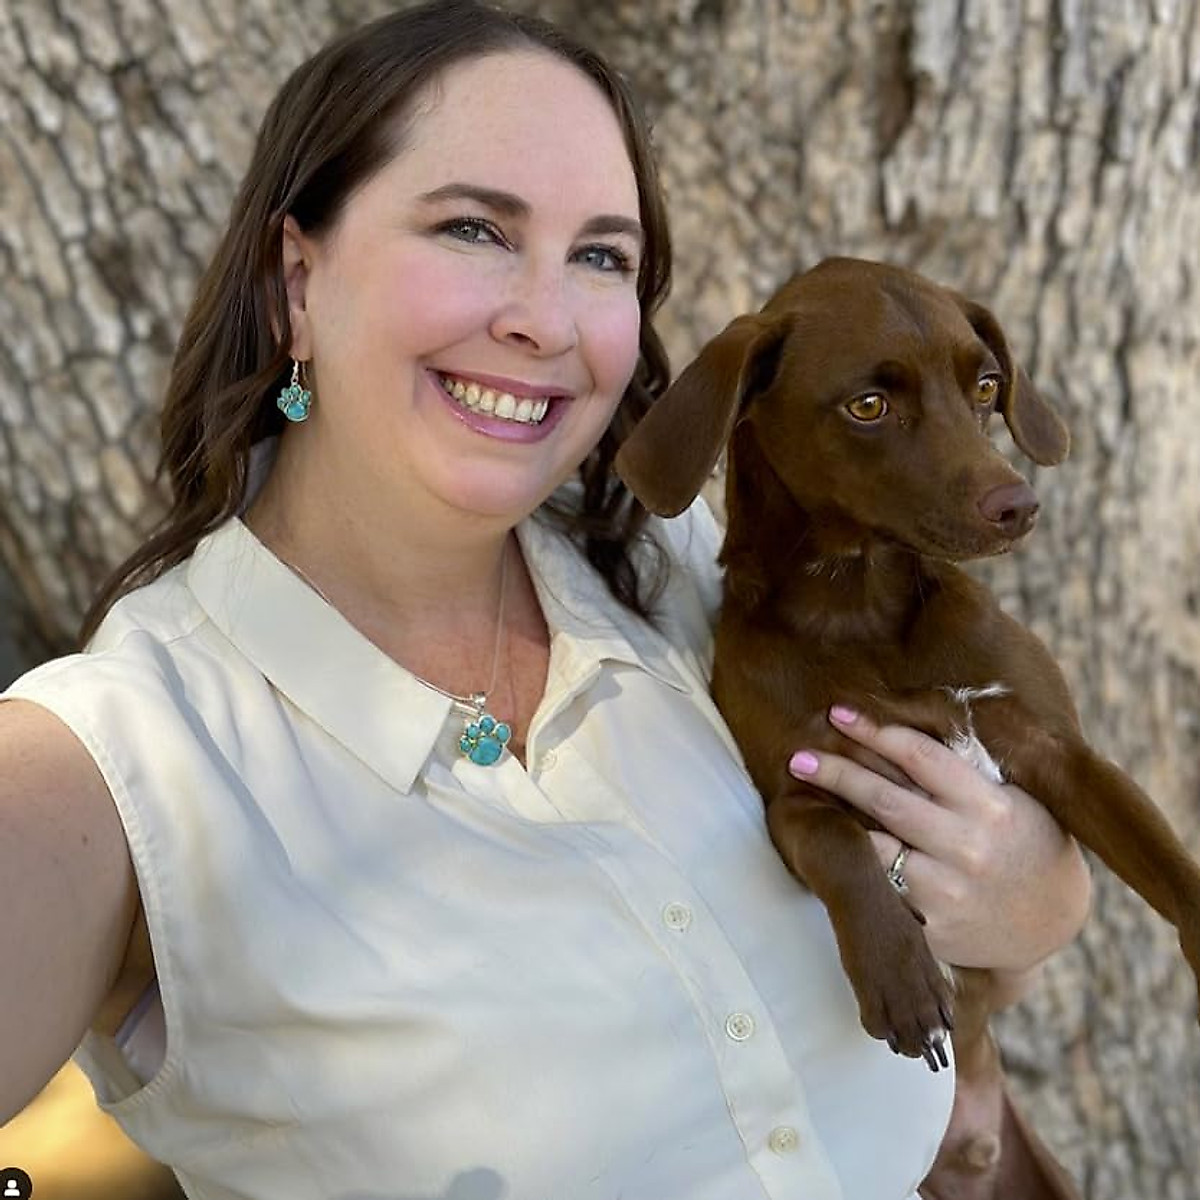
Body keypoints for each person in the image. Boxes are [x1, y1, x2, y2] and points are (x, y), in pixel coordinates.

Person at [0, 3, 1090, 1198]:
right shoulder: (121, 757)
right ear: (297, 281)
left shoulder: (687, 569)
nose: (544, 318)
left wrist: (1038, 901)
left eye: (601, 256)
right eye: (473, 228)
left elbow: (984, 884)